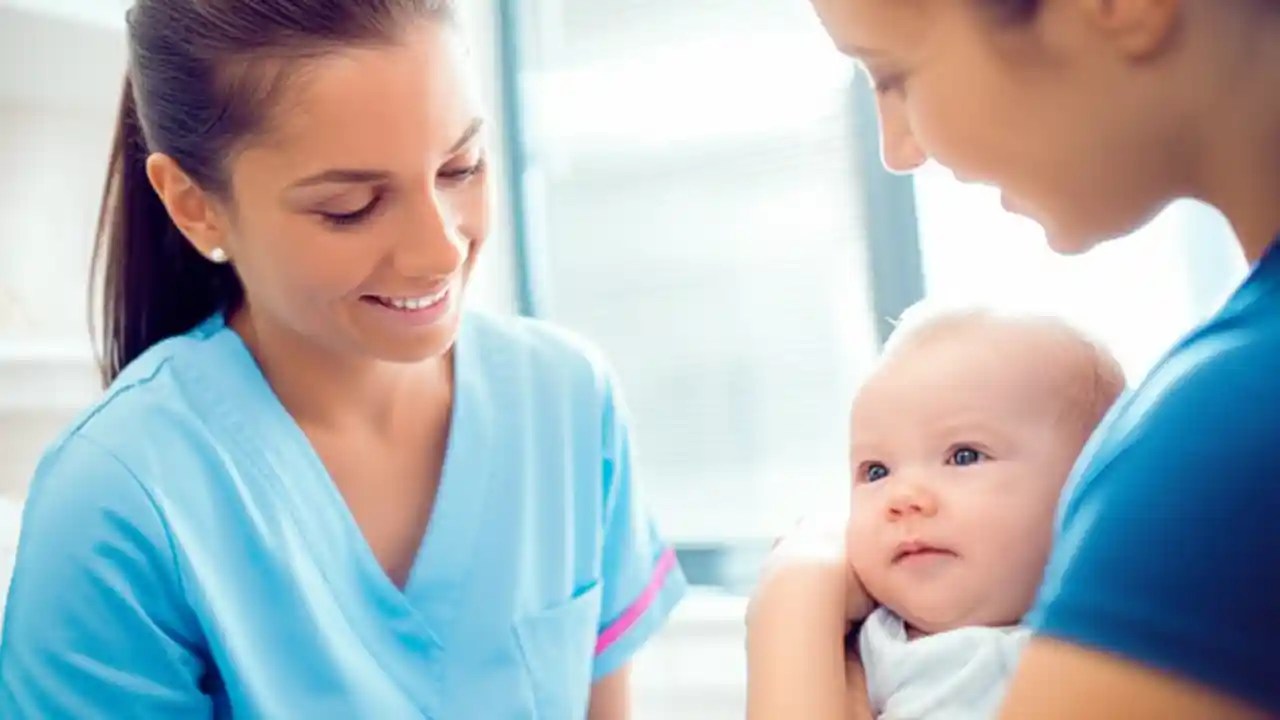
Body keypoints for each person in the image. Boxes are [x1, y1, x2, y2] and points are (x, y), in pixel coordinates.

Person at [0, 1, 686, 717]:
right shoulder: (117, 498)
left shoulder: (568, 402)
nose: (440, 250)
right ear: (195, 204)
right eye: (351, 206)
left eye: (461, 167)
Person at [747, 0, 1280, 718]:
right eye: (873, 471)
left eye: (896, 73)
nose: (897, 149)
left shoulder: (1227, 429)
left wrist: (791, 603)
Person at [843, 305, 1124, 718]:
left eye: (964, 456)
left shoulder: (1030, 665)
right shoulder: (867, 632)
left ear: (1087, 485)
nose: (903, 497)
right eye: (876, 471)